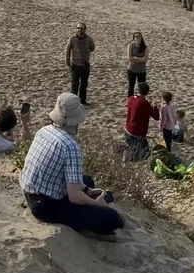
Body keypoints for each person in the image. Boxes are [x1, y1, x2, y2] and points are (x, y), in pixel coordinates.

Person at [20, 93, 123, 235]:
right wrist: (97, 205)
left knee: (87, 181)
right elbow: (75, 197)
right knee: (113, 219)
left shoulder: (43, 130)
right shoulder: (70, 146)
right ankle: (84, 227)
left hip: (30, 194)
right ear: (76, 120)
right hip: (46, 207)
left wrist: (87, 190)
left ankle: (88, 201)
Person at [124, 82, 159, 160]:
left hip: (127, 130)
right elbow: (156, 117)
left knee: (135, 148)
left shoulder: (131, 99)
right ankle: (129, 157)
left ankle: (125, 150)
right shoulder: (144, 103)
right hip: (136, 134)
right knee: (145, 154)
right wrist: (154, 106)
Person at [65, 23, 95, 105]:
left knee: (84, 84)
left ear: (85, 29)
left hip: (85, 64)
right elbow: (67, 51)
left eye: (81, 28)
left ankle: (82, 100)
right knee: (75, 84)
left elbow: (92, 48)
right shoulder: (72, 39)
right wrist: (68, 64)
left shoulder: (89, 39)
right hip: (75, 64)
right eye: (78, 28)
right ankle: (73, 101)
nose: (80, 30)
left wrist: (85, 53)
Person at [126, 31, 149, 97]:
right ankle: (130, 101)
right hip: (131, 70)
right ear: (134, 38)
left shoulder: (145, 47)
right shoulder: (130, 46)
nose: (138, 37)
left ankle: (142, 100)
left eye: (139, 36)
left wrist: (136, 58)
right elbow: (129, 58)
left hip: (141, 70)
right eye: (136, 36)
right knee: (131, 86)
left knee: (142, 88)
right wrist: (141, 60)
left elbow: (145, 59)